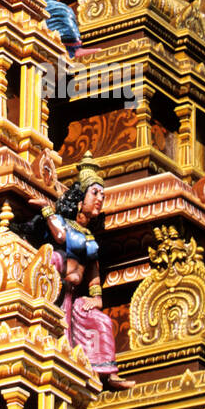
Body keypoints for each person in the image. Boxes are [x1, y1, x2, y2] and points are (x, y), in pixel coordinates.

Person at [23, 154, 134, 390]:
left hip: (75, 297)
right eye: (95, 193)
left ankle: (107, 374)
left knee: (101, 321)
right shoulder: (63, 223)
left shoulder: (89, 234)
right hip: (58, 293)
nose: (100, 199)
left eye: (102, 195)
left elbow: (93, 266)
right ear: (79, 198)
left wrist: (96, 297)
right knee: (59, 339)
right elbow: (61, 237)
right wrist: (47, 212)